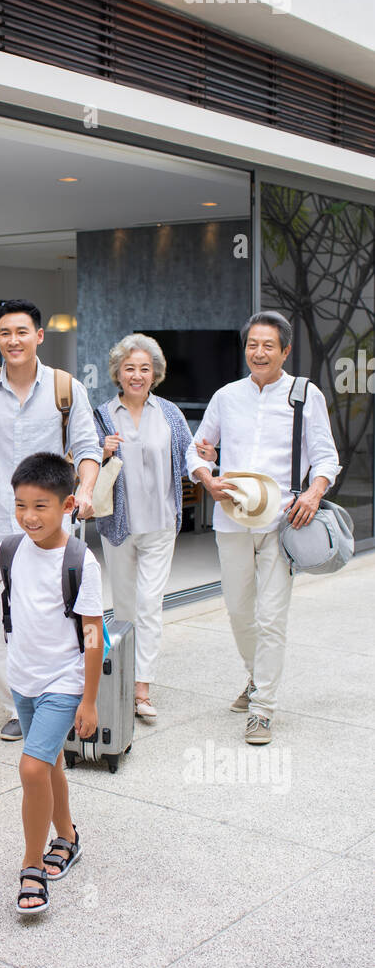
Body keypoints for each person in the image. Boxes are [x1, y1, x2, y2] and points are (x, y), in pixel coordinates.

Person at [0, 453, 104, 917]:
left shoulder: (81, 561)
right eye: (21, 505)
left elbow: (94, 636)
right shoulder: (11, 549)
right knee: (50, 762)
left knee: (31, 769)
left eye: (41, 506)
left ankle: (31, 865)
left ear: (66, 505)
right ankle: (68, 836)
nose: (29, 516)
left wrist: (90, 701)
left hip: (64, 681)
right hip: (22, 679)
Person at [188, 310, 341, 745]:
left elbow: (326, 456)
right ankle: (258, 677)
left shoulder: (304, 395)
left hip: (284, 520)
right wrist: (206, 476)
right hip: (233, 518)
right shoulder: (226, 396)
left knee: (271, 617)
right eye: (252, 344)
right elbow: (198, 450)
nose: (259, 352)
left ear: (285, 351)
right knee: (239, 611)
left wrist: (313, 493)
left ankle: (263, 709)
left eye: (268, 345)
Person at [0, 300, 101, 742]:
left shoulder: (66, 388)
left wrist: (88, 491)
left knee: (56, 614)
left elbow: (88, 447)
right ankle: (17, 703)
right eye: (4, 333)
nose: (12, 340)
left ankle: (64, 694)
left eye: (21, 332)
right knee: (2, 619)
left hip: (55, 527)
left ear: (39, 336)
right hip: (1, 525)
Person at [93, 333, 197, 722]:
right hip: (118, 525)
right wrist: (99, 451)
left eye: (144, 369)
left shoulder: (169, 413)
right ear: (117, 373)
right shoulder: (101, 415)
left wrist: (211, 470)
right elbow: (81, 463)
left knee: (150, 603)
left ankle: (142, 689)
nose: (136, 375)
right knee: (124, 605)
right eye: (129, 368)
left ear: (155, 373)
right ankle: (122, 679)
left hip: (160, 523)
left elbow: (191, 459)